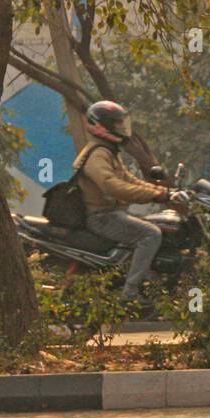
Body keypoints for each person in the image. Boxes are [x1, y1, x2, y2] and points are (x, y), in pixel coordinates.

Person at [75, 101, 185, 316]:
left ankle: (144, 279)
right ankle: (130, 294)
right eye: (116, 124)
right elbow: (112, 185)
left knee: (154, 223)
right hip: (101, 217)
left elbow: (130, 179)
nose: (121, 128)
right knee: (151, 234)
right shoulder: (98, 154)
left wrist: (164, 192)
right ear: (103, 126)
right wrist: (155, 195)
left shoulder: (107, 151)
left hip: (111, 213)